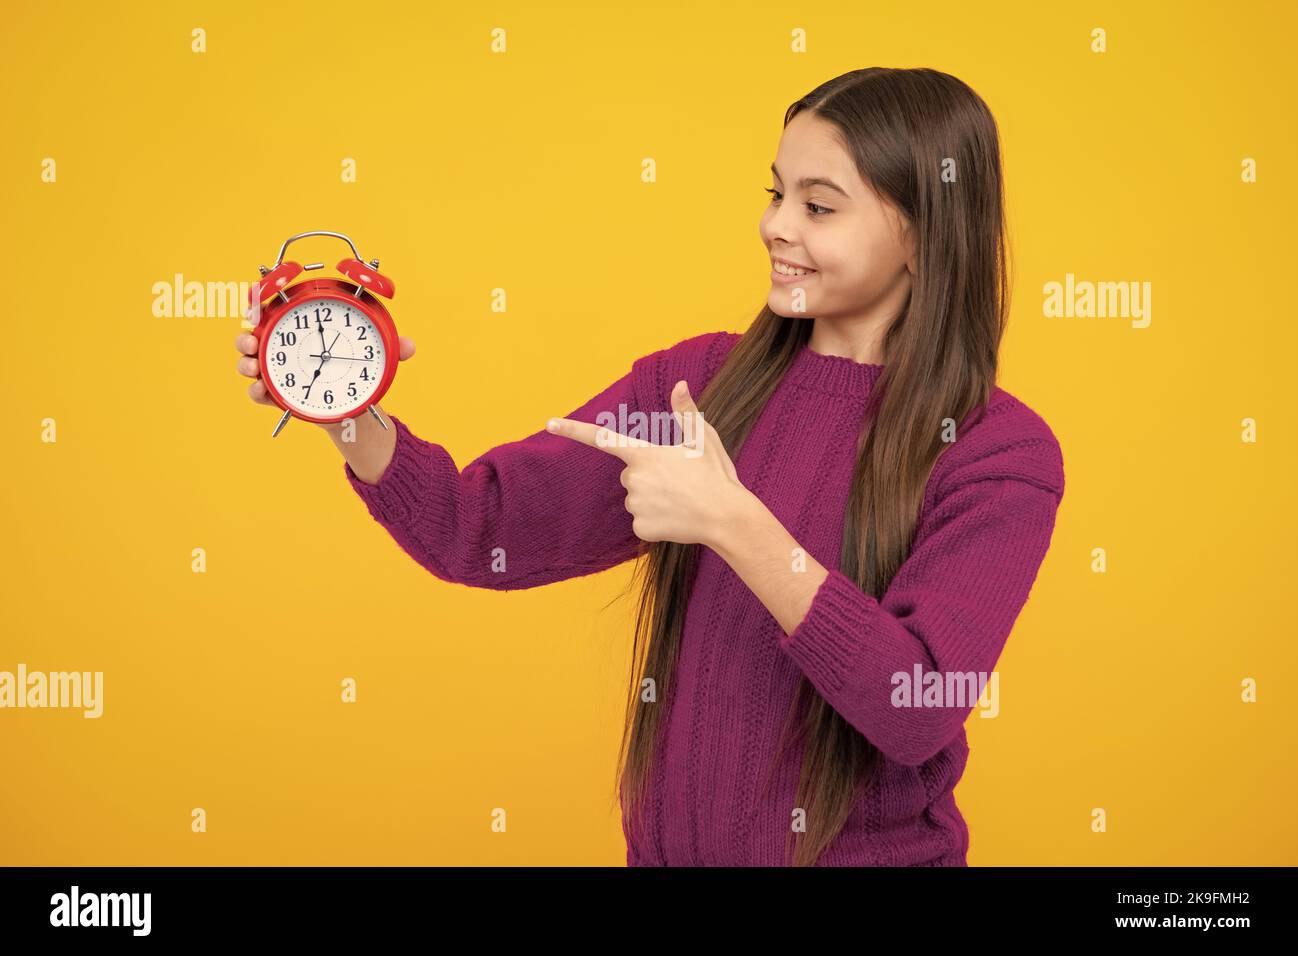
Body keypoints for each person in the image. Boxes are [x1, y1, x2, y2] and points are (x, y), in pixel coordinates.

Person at [233, 67, 1065, 866]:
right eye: (776, 194)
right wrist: (343, 405)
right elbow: (473, 528)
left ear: (924, 234)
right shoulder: (697, 388)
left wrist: (732, 522)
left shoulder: (998, 454)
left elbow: (914, 705)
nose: (778, 226)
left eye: (820, 205)